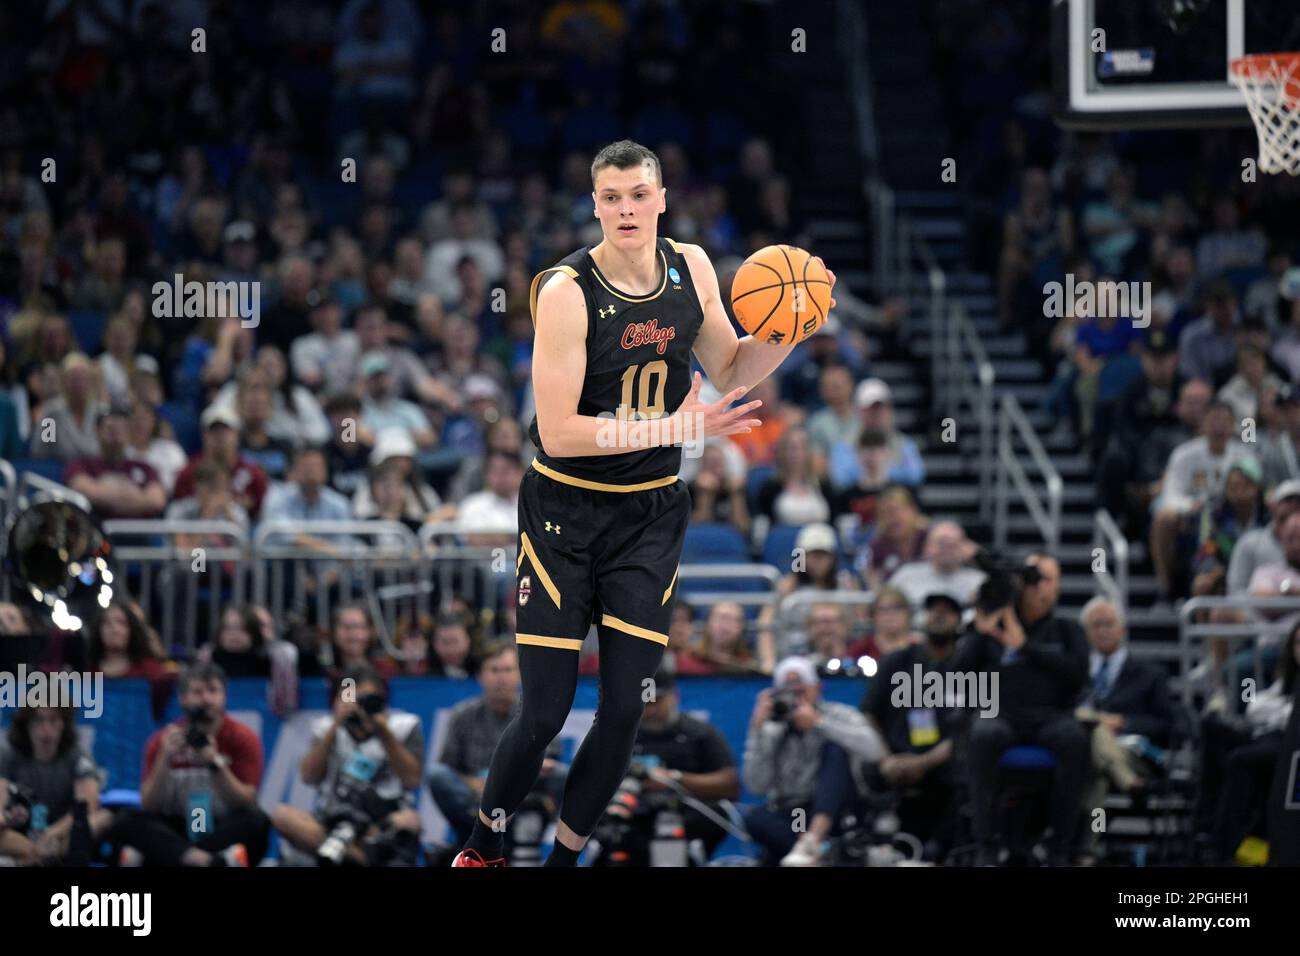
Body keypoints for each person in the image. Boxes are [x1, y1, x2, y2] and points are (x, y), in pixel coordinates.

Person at [453, 140, 837, 868]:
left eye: (638, 195)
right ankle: (482, 847)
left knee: (627, 708)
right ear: (595, 206)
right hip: (566, 508)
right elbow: (562, 433)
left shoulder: (690, 267)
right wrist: (677, 426)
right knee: (543, 711)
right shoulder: (566, 291)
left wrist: (793, 324)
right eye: (611, 198)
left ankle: (564, 860)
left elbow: (728, 368)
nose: (625, 209)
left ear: (662, 199)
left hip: (649, 512)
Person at [948, 553, 1090, 865]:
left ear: (1057, 588)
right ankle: (988, 842)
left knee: (1075, 739)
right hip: (999, 714)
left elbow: (1079, 675)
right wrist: (979, 633)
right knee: (983, 732)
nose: (1040, 588)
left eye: (1048, 580)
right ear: (1020, 586)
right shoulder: (992, 625)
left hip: (1050, 716)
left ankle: (1058, 844)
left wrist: (1024, 646)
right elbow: (956, 674)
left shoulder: (1067, 629)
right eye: (1033, 580)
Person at [114, 662, 269, 866]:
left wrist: (214, 763)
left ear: (224, 696)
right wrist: (165, 758)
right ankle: (205, 861)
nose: (206, 699)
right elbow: (149, 804)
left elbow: (245, 800)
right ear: (183, 698)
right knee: (126, 819)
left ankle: (181, 858)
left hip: (218, 827)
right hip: (177, 826)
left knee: (257, 820)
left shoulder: (243, 738)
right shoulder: (162, 740)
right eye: (198, 692)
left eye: (213, 691)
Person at [272, 665, 423, 866]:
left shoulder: (403, 726)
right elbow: (308, 776)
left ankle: (339, 852)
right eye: (355, 699)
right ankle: (359, 858)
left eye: (368, 699)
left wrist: (383, 731)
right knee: (283, 816)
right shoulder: (325, 728)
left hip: (382, 822)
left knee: (411, 821)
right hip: (332, 819)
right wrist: (336, 724)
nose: (361, 707)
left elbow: (412, 779)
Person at [742, 656, 884, 866]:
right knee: (755, 818)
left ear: (817, 687)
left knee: (835, 749)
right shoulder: (775, 728)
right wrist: (757, 731)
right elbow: (757, 786)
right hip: (798, 815)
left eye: (800, 690)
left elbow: (876, 750)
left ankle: (814, 842)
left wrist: (819, 724)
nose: (795, 698)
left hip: (837, 811)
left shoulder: (837, 715)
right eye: (788, 691)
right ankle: (818, 852)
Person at [427, 644, 562, 850]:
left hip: (524, 795)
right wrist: (473, 783)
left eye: (508, 670)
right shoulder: (462, 715)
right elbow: (448, 768)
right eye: (494, 670)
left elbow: (553, 762)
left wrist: (536, 771)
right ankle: (484, 829)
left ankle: (508, 832)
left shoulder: (538, 714)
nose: (502, 678)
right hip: (476, 799)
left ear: (520, 674)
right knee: (437, 775)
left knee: (563, 775)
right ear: (481, 676)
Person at [861, 592, 964, 857]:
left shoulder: (968, 666)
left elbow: (971, 727)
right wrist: (885, 758)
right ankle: (873, 843)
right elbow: (869, 716)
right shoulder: (897, 660)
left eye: (947, 611)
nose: (938, 616)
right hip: (894, 758)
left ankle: (943, 848)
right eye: (933, 610)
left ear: (959, 621)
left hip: (943, 761)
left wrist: (924, 762)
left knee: (968, 761)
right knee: (863, 759)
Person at [1075, 596, 1173, 860]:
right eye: (1096, 625)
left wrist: (1123, 723)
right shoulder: (1074, 673)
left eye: (1108, 624)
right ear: (1086, 633)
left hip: (1135, 753)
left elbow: (1168, 725)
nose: (1103, 630)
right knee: (1090, 731)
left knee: (1093, 756)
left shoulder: (1151, 674)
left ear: (1122, 629)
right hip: (1084, 754)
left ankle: (1085, 853)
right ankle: (1129, 784)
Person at [616, 667, 741, 865]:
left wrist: (674, 779)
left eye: (657, 701)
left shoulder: (700, 733)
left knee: (669, 824)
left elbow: (729, 783)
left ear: (674, 696)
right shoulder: (622, 737)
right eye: (645, 703)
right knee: (608, 825)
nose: (651, 709)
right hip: (634, 810)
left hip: (684, 810)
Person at [0, 706, 110, 865]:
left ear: (64, 724)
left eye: (53, 720)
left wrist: (50, 834)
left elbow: (86, 807)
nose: (46, 729)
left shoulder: (78, 756)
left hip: (61, 836)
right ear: (27, 724)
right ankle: (31, 857)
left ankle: (39, 858)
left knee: (102, 819)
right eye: (39, 720)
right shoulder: (8, 755)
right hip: (19, 837)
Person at [65, 403, 168, 520]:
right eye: (110, 428)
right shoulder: (81, 464)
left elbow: (156, 501)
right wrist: (135, 495)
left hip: (138, 534)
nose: (116, 434)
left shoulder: (145, 468)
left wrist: (103, 491)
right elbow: (82, 490)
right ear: (97, 432)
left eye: (122, 429)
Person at [887, 520, 985, 610]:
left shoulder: (979, 581)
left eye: (953, 544)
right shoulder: (906, 575)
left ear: (964, 547)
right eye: (941, 544)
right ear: (928, 547)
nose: (947, 549)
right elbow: (885, 605)